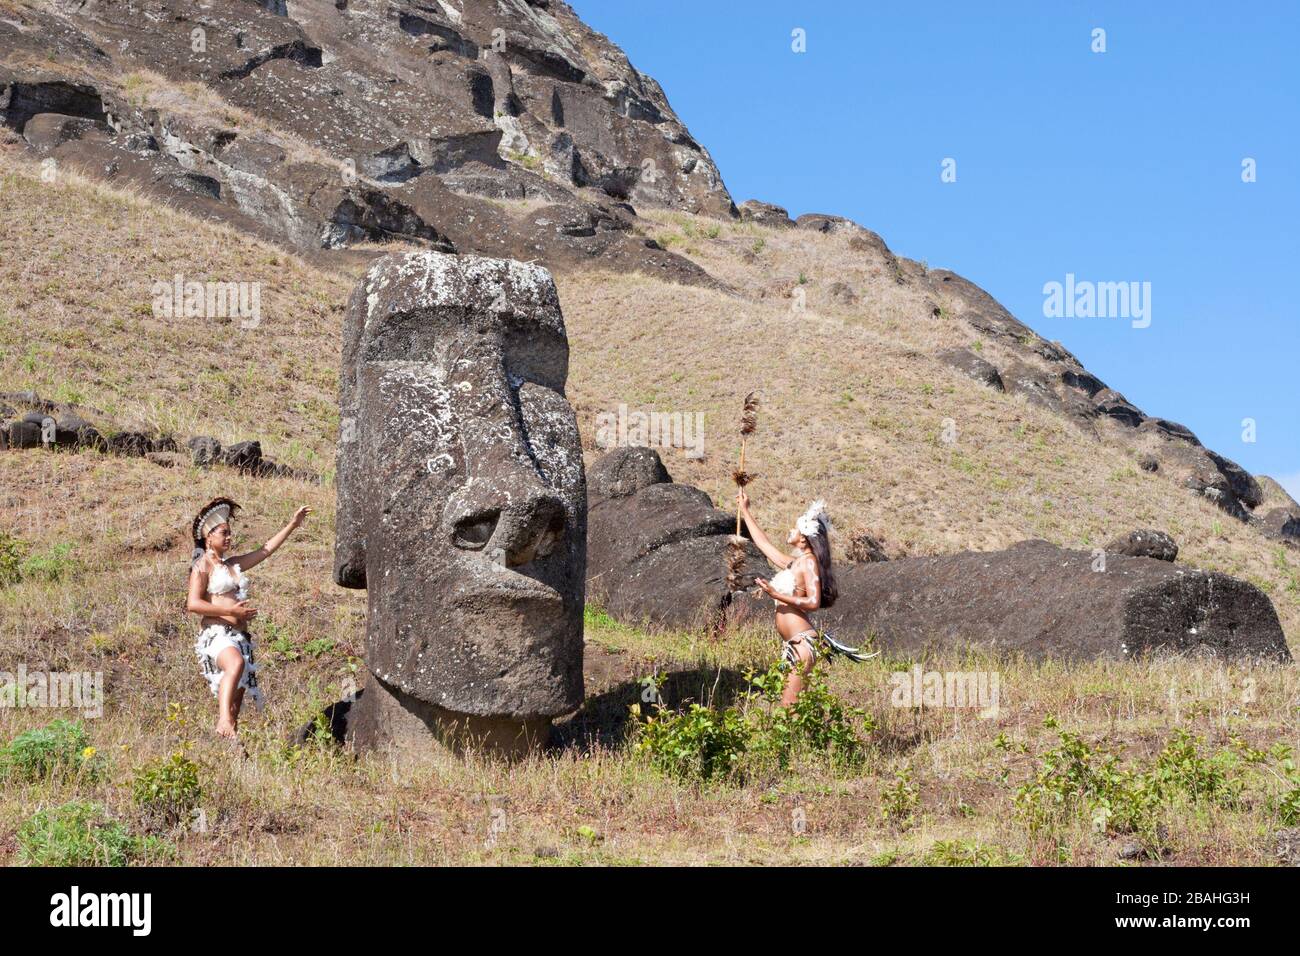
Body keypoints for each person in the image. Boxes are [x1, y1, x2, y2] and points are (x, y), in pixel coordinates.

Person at [185, 497, 310, 739]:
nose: (229, 537)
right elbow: (193, 603)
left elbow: (265, 550)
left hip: (241, 638)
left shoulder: (232, 564)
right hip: (217, 634)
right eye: (224, 533)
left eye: (230, 532)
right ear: (209, 537)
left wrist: (292, 525)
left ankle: (230, 743)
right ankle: (222, 720)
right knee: (235, 665)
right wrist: (233, 612)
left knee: (235, 706)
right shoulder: (202, 565)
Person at [737, 489, 856, 705]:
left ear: (804, 539)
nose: (791, 530)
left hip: (802, 644)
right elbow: (764, 546)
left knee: (788, 711)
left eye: (796, 528)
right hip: (793, 644)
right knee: (789, 709)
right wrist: (745, 511)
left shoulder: (809, 562)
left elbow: (813, 602)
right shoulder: (797, 563)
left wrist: (775, 593)